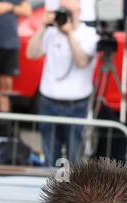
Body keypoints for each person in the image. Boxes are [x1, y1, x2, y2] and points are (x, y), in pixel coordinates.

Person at [27, 0, 98, 165]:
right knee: (51, 158)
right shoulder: (52, 33)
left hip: (76, 106)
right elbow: (31, 53)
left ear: (79, 12)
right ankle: (52, 189)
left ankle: (71, 190)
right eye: (61, 10)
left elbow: (82, 61)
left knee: (74, 159)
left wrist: (70, 34)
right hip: (48, 103)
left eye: (68, 11)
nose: (64, 15)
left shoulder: (89, 34)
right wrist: (43, 27)